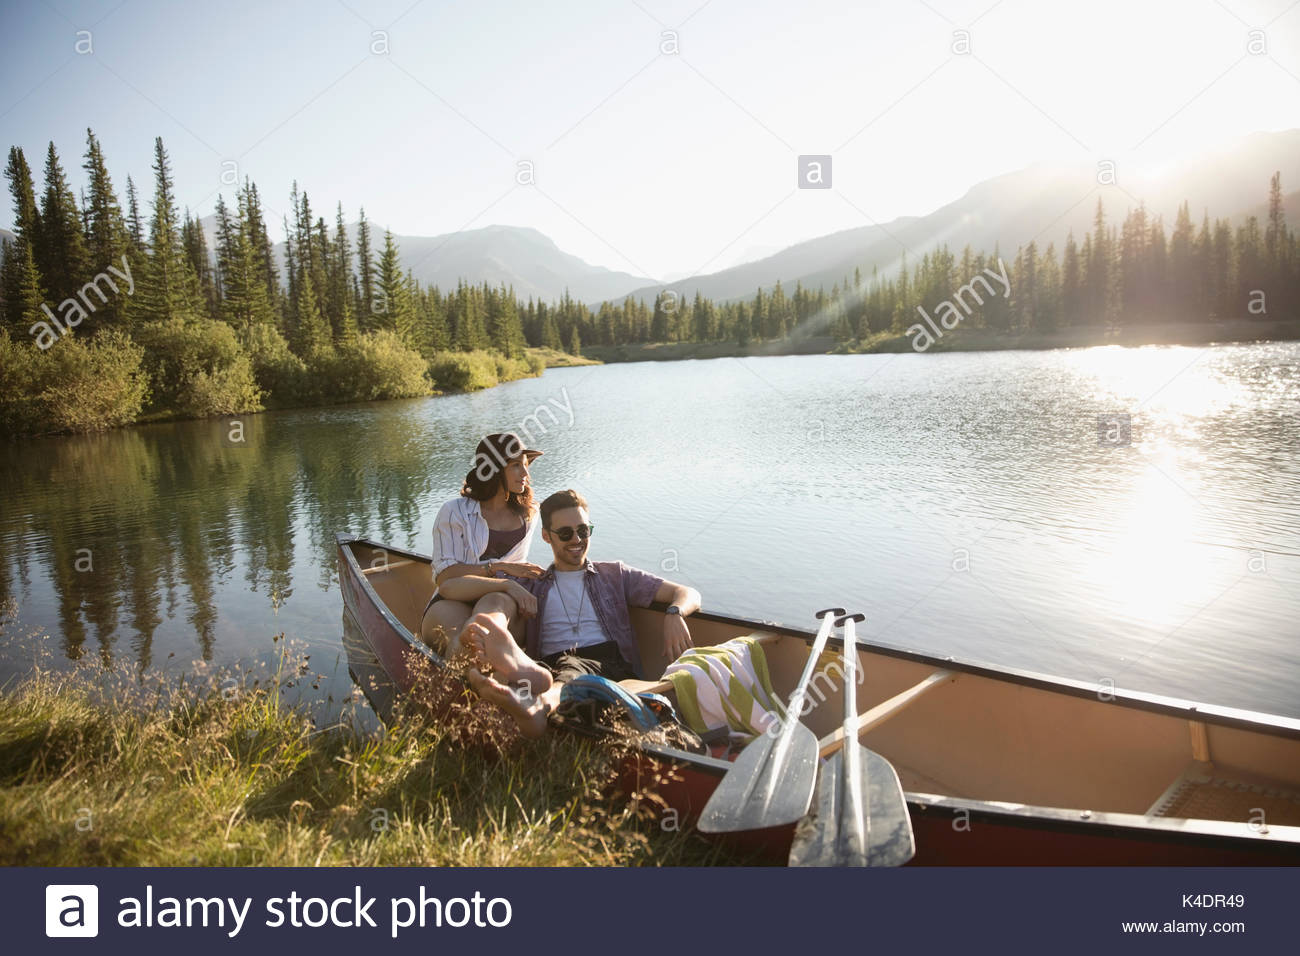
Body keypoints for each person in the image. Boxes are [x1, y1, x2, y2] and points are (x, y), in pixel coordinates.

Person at [438, 488, 701, 737]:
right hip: (545, 666)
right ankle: (500, 657)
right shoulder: (532, 581)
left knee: (571, 669)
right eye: (565, 533)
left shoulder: (615, 575)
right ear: (546, 536)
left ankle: (538, 708)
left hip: (606, 663)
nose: (576, 540)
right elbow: (449, 587)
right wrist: (502, 577)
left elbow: (687, 592)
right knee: (503, 607)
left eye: (583, 531)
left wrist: (675, 613)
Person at [420, 433, 547, 657]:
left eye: (526, 465)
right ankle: (467, 682)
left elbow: (519, 571)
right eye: (516, 465)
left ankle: (507, 680)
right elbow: (445, 578)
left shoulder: (529, 514)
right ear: (495, 469)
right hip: (453, 599)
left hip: (502, 601)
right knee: (468, 641)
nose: (526, 473)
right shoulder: (455, 511)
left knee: (492, 632)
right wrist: (500, 568)